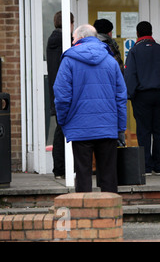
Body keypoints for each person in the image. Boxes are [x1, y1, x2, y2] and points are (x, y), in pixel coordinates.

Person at [53, 24, 127, 193]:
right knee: (109, 175)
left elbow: (62, 96)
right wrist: (120, 128)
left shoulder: (69, 61)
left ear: (80, 38)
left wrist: (63, 121)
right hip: (107, 127)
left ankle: (84, 215)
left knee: (83, 174)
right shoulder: (111, 61)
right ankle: (110, 215)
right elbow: (121, 97)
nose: (72, 41)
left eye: (73, 38)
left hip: (80, 127)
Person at [124, 21, 160, 176]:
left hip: (141, 97)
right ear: (151, 33)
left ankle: (146, 167)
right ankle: (159, 166)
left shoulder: (134, 52)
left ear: (138, 34)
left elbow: (130, 75)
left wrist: (130, 95)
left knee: (144, 131)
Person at [46, 11, 74, 179]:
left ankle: (61, 168)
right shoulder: (60, 40)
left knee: (61, 128)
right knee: (61, 129)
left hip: (59, 91)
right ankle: (60, 169)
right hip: (62, 92)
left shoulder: (55, 39)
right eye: (72, 23)